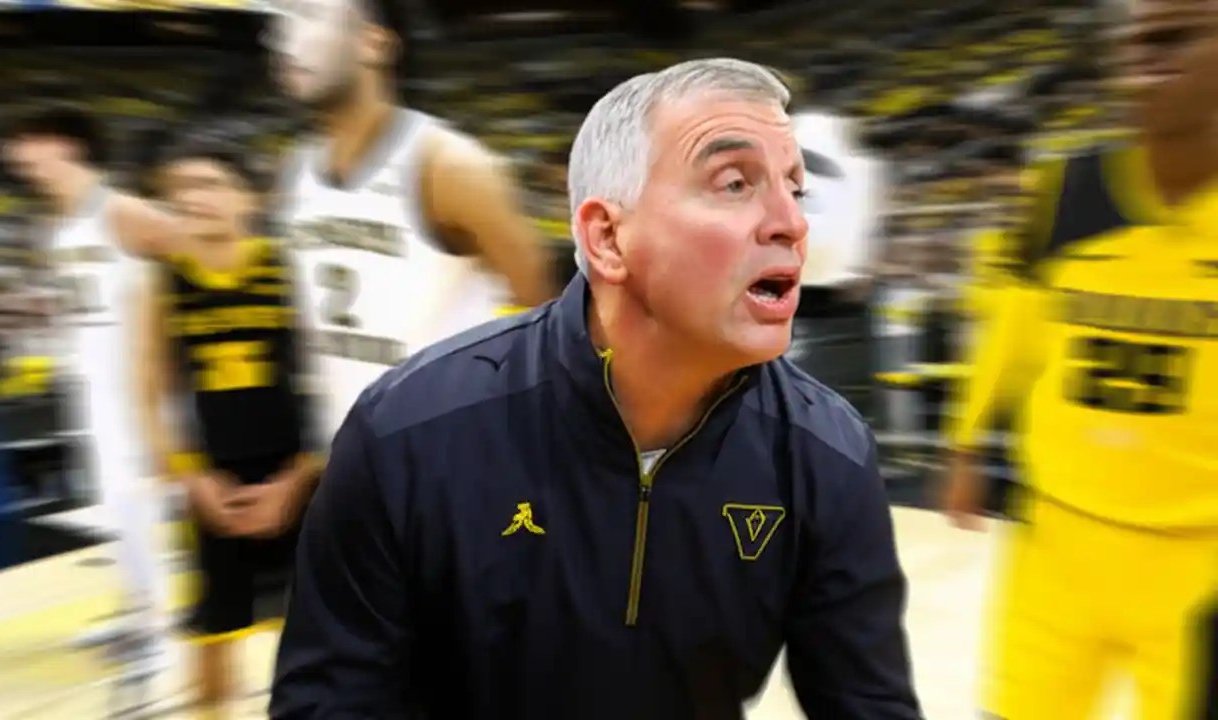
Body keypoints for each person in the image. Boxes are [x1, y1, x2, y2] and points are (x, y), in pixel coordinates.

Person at [270, 57, 921, 719]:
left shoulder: (828, 452)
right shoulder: (401, 432)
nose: (792, 222)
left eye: (794, 187)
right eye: (734, 183)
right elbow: (327, 704)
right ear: (608, 238)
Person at [941, 1, 1218, 717]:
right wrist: (966, 440)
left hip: (1200, 565)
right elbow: (1012, 324)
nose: (1150, 54)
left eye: (1179, 34)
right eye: (1135, 40)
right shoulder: (1066, 188)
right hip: (1058, 539)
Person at [264, 0, 556, 430]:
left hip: (452, 460)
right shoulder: (293, 174)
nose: (286, 39)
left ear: (374, 43)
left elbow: (547, 321)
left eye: (309, 16)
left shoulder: (449, 167)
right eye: (281, 24)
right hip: (353, 461)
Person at [134, 141, 320, 709]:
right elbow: (146, 392)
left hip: (303, 477)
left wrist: (303, 474)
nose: (193, 198)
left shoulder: (293, 268)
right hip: (212, 484)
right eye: (179, 190)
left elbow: (331, 377)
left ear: (249, 198)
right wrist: (192, 480)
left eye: (209, 184)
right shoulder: (160, 282)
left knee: (322, 634)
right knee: (211, 643)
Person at [2, 105, 170, 672]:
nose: (16, 155)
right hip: (91, 381)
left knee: (137, 502)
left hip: (137, 381)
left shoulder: (123, 212)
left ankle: (158, 629)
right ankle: (136, 609)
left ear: (67, 145)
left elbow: (195, 272)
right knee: (113, 504)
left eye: (27, 141)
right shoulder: (51, 224)